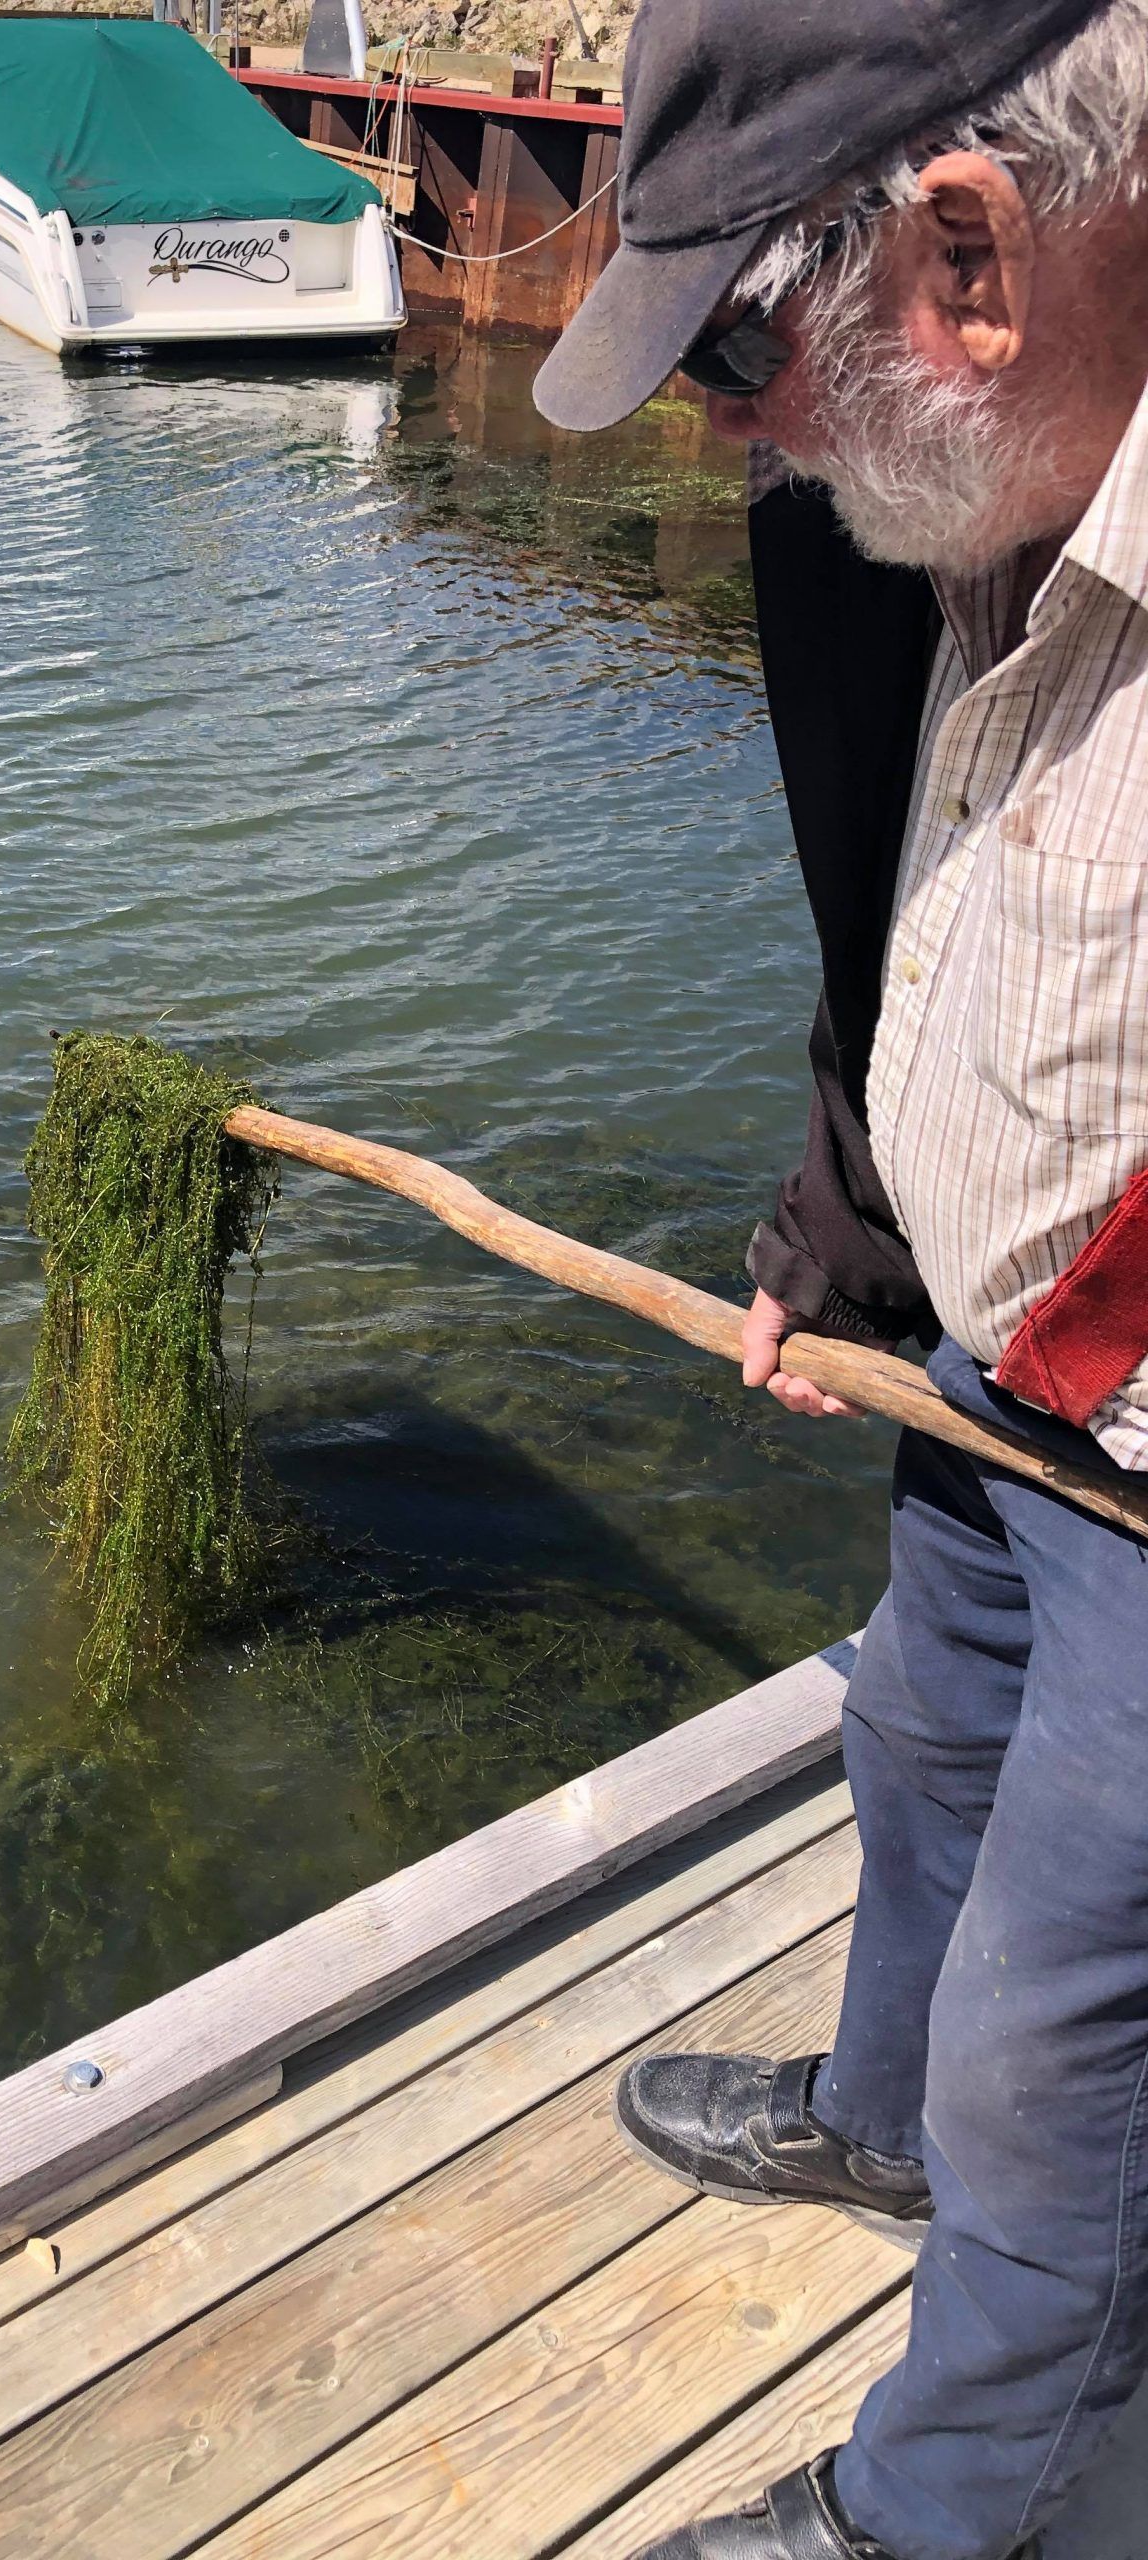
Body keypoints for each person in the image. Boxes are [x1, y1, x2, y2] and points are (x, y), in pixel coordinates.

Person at [531, 3, 1148, 2555]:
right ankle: (872, 2122)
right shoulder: (979, 462)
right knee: (915, 1745)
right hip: (987, 1354)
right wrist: (842, 1231)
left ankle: (957, 2508)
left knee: (1067, 2035)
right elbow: (931, 900)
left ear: (971, 253)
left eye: (757, 353)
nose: (737, 431)